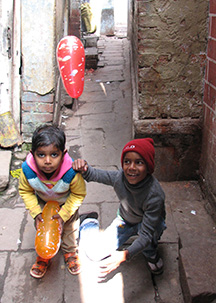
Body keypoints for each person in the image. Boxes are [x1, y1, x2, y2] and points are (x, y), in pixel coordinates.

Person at [72, 138, 166, 277]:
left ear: (148, 167)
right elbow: (94, 174)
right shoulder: (119, 177)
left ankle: (151, 253)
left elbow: (145, 234)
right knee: (93, 253)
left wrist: (125, 255)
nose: (132, 167)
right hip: (125, 221)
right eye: (127, 162)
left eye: (139, 162)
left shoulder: (154, 195)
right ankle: (88, 222)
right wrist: (83, 166)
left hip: (149, 225)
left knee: (149, 237)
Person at [19, 124, 86, 278]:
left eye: (54, 155)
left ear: (63, 154)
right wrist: (36, 212)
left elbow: (78, 194)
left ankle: (70, 252)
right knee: (43, 227)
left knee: (70, 230)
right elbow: (26, 191)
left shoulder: (71, 173)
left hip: (66, 204)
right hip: (42, 202)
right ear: (32, 153)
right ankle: (43, 255)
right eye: (41, 155)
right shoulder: (28, 171)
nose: (47, 161)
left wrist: (64, 214)